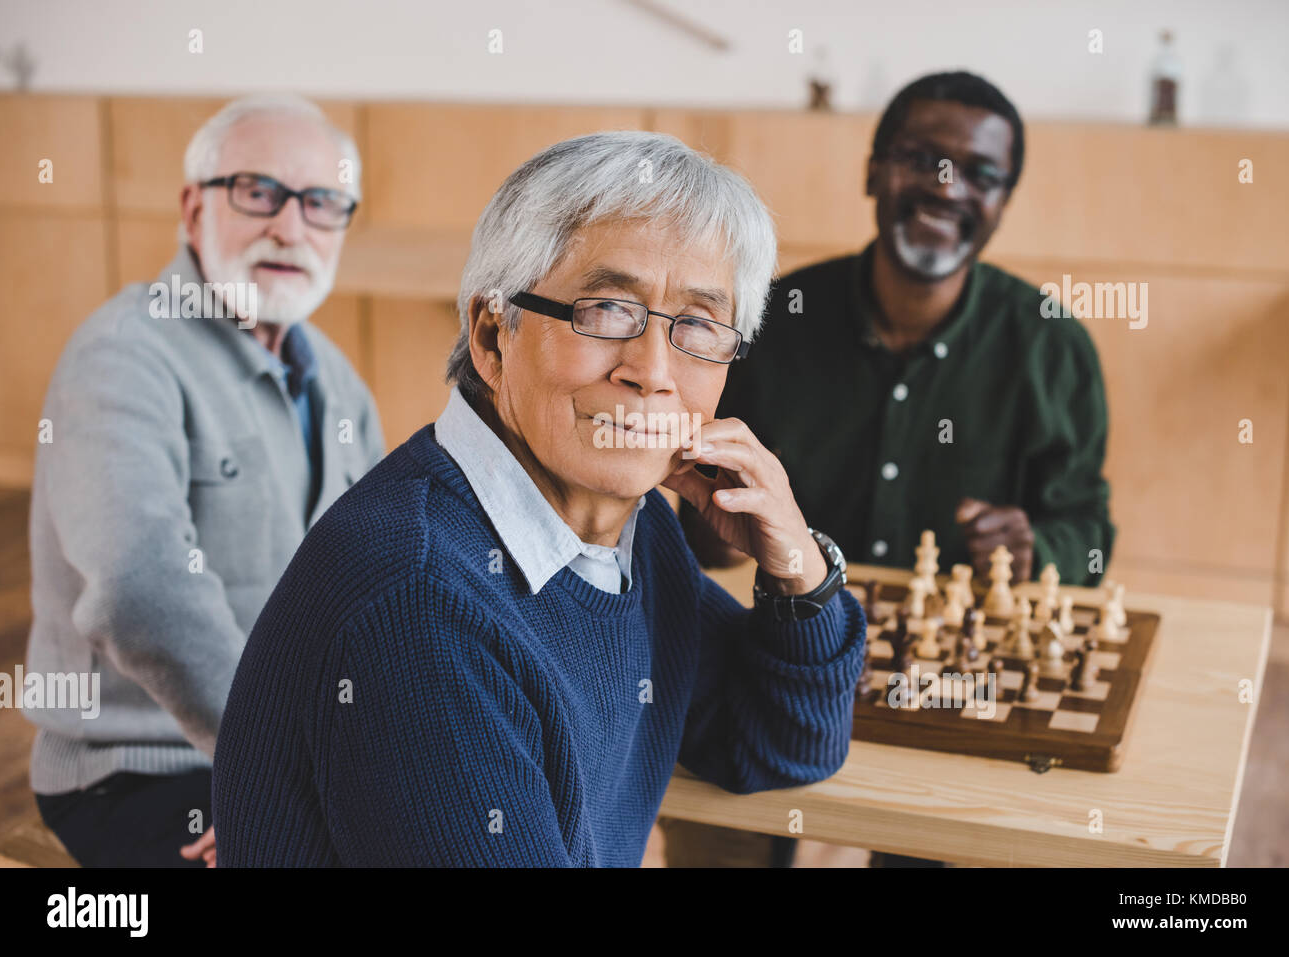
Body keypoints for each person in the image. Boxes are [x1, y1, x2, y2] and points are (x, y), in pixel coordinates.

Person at [211, 130, 868, 867]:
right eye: (607, 310)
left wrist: (797, 568)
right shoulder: (421, 604)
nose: (653, 371)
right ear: (492, 334)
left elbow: (781, 744)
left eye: (697, 326)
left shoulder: (631, 525)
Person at [676, 71, 1115, 867]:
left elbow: (1087, 531)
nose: (947, 188)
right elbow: (705, 541)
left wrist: (1040, 547)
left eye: (980, 173)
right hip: (788, 660)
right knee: (736, 819)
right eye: (922, 158)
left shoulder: (1052, 348)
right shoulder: (774, 321)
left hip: (957, 688)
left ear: (1004, 199)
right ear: (873, 170)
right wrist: (717, 527)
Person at [23, 93, 385, 867]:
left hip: (299, 754)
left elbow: (379, 586)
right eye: (258, 193)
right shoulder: (122, 354)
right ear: (193, 209)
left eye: (321, 204)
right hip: (136, 770)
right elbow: (137, 585)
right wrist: (276, 771)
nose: (291, 227)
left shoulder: (339, 381)